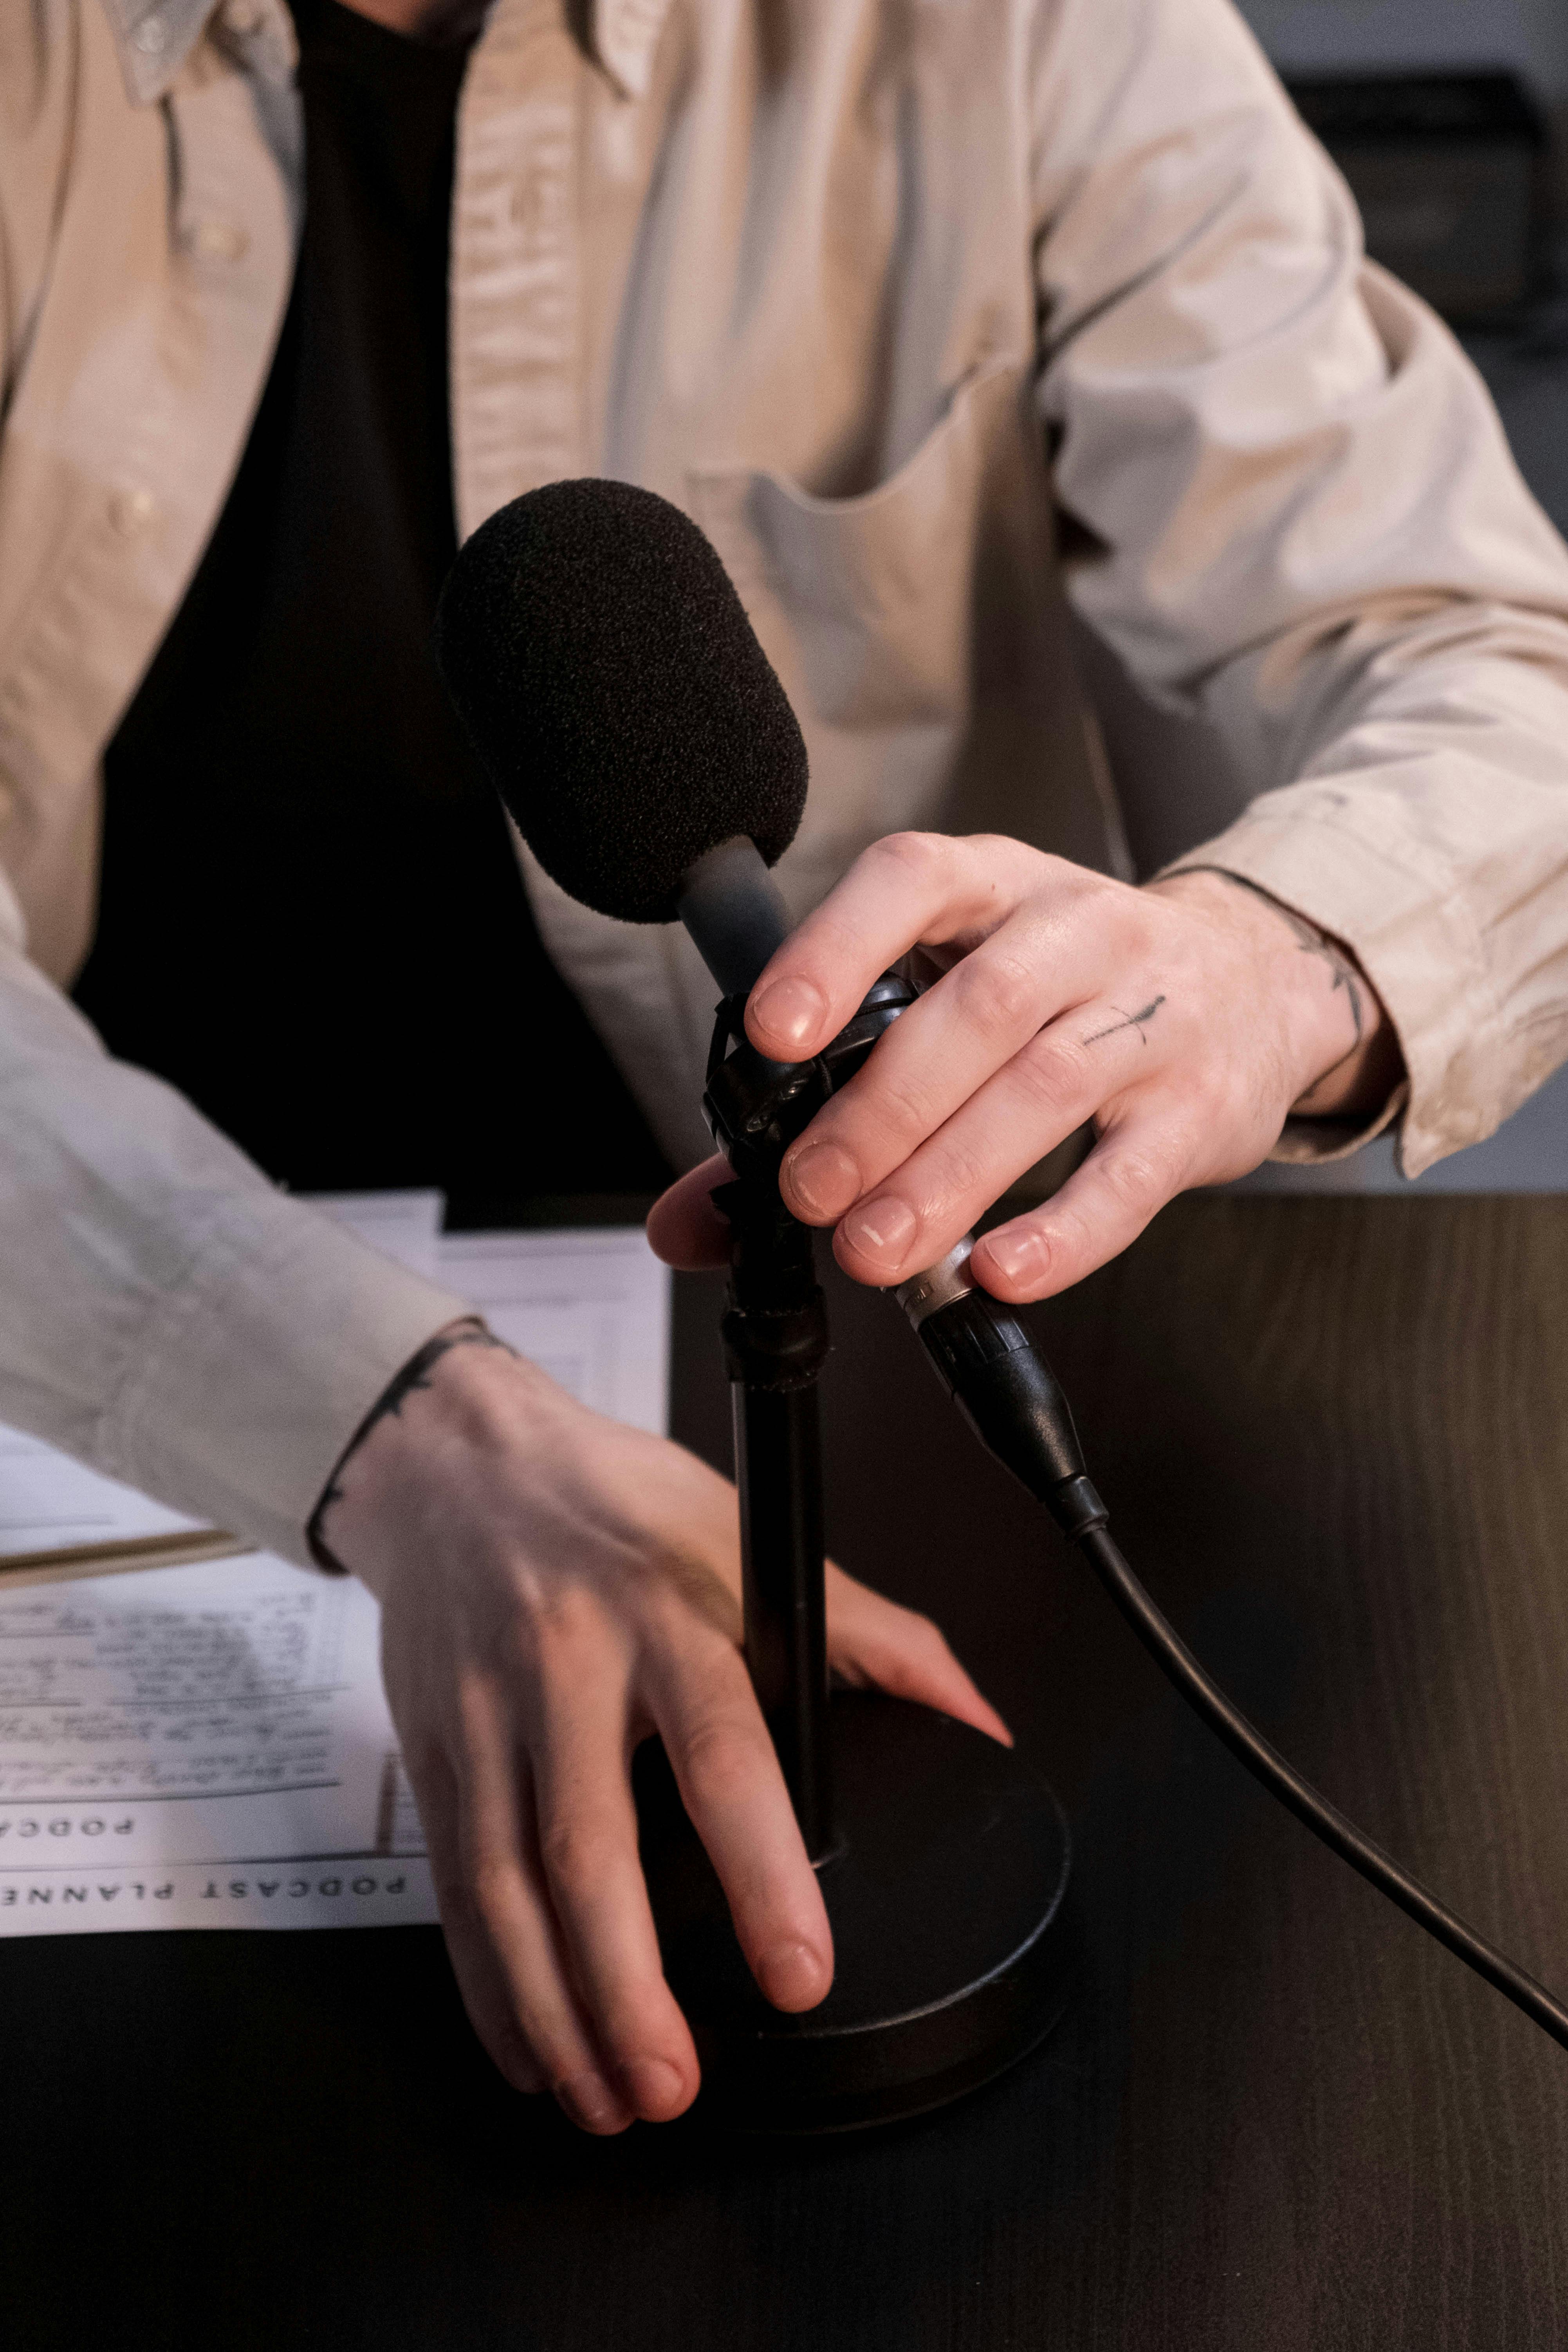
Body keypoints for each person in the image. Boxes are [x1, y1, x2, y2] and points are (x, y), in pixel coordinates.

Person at [2, 0, 1565, 2137]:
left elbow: (1494, 668)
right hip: (117, 1350)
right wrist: (395, 1424)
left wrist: (1264, 962)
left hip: (883, 1395)